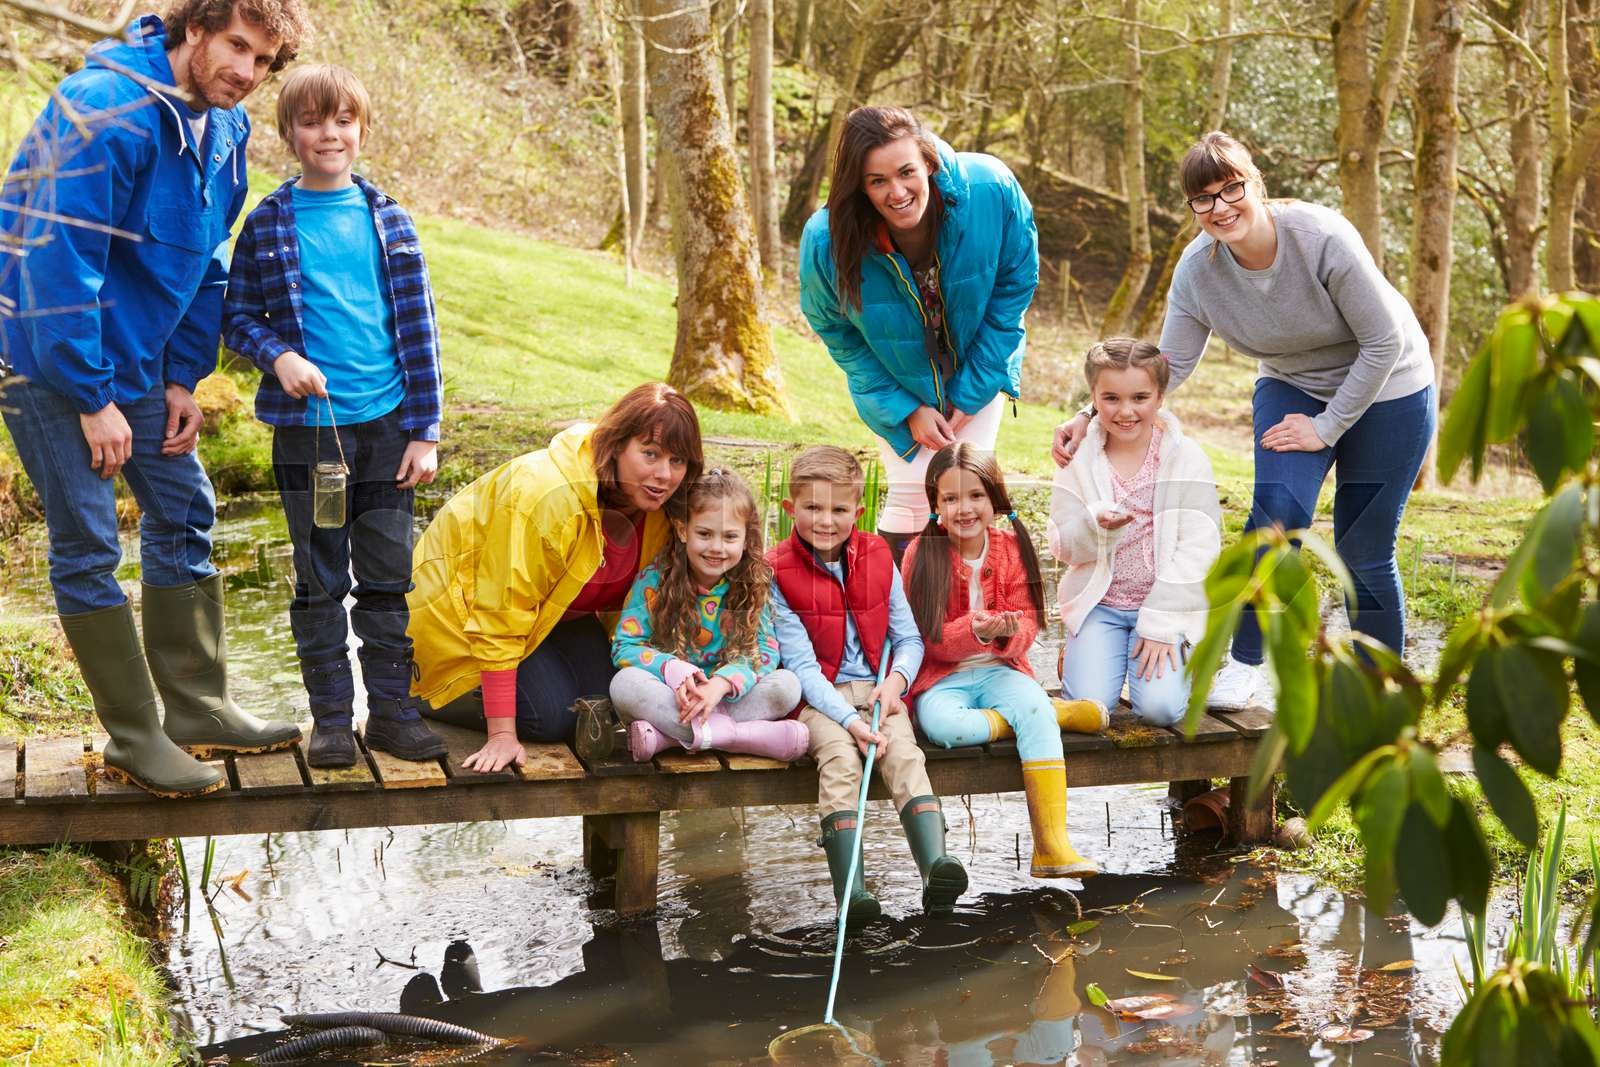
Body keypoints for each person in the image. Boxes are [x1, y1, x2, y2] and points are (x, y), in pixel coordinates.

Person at [0, 1, 310, 797]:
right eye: (237, 46)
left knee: (185, 508)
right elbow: (53, 259)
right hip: (44, 355)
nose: (246, 71)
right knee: (90, 543)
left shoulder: (224, 128)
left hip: (137, 360)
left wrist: (181, 376)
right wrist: (90, 395)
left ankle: (197, 706)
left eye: (264, 60)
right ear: (194, 30)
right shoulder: (105, 112)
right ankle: (136, 735)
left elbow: (204, 262)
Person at [1052, 132, 1436, 710]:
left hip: (1392, 389)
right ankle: (1246, 661)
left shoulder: (1321, 238)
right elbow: (1168, 364)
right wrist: (1091, 416)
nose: (1220, 207)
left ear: (1256, 183)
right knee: (1276, 519)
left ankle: (1376, 688)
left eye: (1231, 188)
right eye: (1203, 199)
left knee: (1364, 547)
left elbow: (1383, 342)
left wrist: (1327, 428)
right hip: (1293, 385)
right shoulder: (1198, 271)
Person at [224, 64, 445, 767]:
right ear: (288, 133)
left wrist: (425, 429)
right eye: (314, 122)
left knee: (387, 576)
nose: (330, 134)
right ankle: (329, 718)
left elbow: (421, 328)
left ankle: (391, 712)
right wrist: (279, 355)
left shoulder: (390, 220)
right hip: (313, 437)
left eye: (343, 120)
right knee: (322, 576)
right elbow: (236, 316)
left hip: (386, 431)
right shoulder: (269, 223)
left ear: (362, 129)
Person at [408, 383, 703, 772]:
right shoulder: (547, 497)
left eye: (678, 461)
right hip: (457, 624)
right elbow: (501, 610)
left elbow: (638, 611)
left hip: (551, 617)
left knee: (612, 699)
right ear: (615, 445)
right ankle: (426, 695)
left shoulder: (657, 510)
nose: (664, 474)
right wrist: (501, 734)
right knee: (550, 719)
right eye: (650, 454)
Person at [798, 105, 1039, 563]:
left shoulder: (992, 189)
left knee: (965, 492)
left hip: (979, 362)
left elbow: (1013, 292)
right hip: (899, 381)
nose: (897, 192)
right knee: (912, 499)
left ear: (927, 161)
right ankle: (894, 621)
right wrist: (906, 409)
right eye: (877, 181)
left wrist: (971, 394)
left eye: (907, 171)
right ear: (858, 186)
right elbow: (835, 330)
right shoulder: (826, 239)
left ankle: (973, 620)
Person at [767, 445, 965, 929]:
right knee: (839, 762)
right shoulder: (776, 570)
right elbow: (802, 668)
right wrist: (851, 722)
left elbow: (909, 639)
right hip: (821, 700)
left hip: (880, 693)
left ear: (859, 511)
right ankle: (851, 892)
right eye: (813, 508)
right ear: (791, 509)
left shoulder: (878, 555)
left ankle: (934, 871)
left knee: (904, 755)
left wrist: (896, 684)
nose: (827, 521)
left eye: (839, 510)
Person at [902, 444, 1101, 879]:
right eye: (950, 499)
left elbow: (1030, 622)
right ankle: (1054, 713)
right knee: (942, 727)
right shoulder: (922, 553)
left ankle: (1051, 846)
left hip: (1001, 670)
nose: (964, 508)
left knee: (1028, 705)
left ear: (995, 498)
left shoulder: (1011, 547)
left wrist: (1008, 633)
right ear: (935, 504)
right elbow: (925, 639)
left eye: (975, 496)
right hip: (943, 677)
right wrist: (976, 629)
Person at [1049, 339, 1222, 727]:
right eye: (1110, 398)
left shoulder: (1186, 457)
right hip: (1101, 606)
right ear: (1093, 397)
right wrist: (1094, 526)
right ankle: (1084, 651)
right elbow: (1061, 544)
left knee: (1159, 711)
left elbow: (1200, 548)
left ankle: (1184, 657)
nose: (1125, 411)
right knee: (1090, 707)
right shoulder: (1077, 456)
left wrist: (1161, 624)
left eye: (1140, 397)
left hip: (1162, 607)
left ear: (1160, 397)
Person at [609, 468, 806, 763]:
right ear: (682, 530)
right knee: (624, 684)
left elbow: (764, 653)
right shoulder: (655, 580)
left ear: (745, 538)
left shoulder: (754, 583)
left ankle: (668, 738)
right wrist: (670, 669)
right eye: (704, 534)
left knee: (787, 685)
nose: (716, 547)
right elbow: (624, 646)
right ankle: (740, 738)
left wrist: (722, 684)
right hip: (673, 696)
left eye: (729, 537)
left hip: (728, 697)